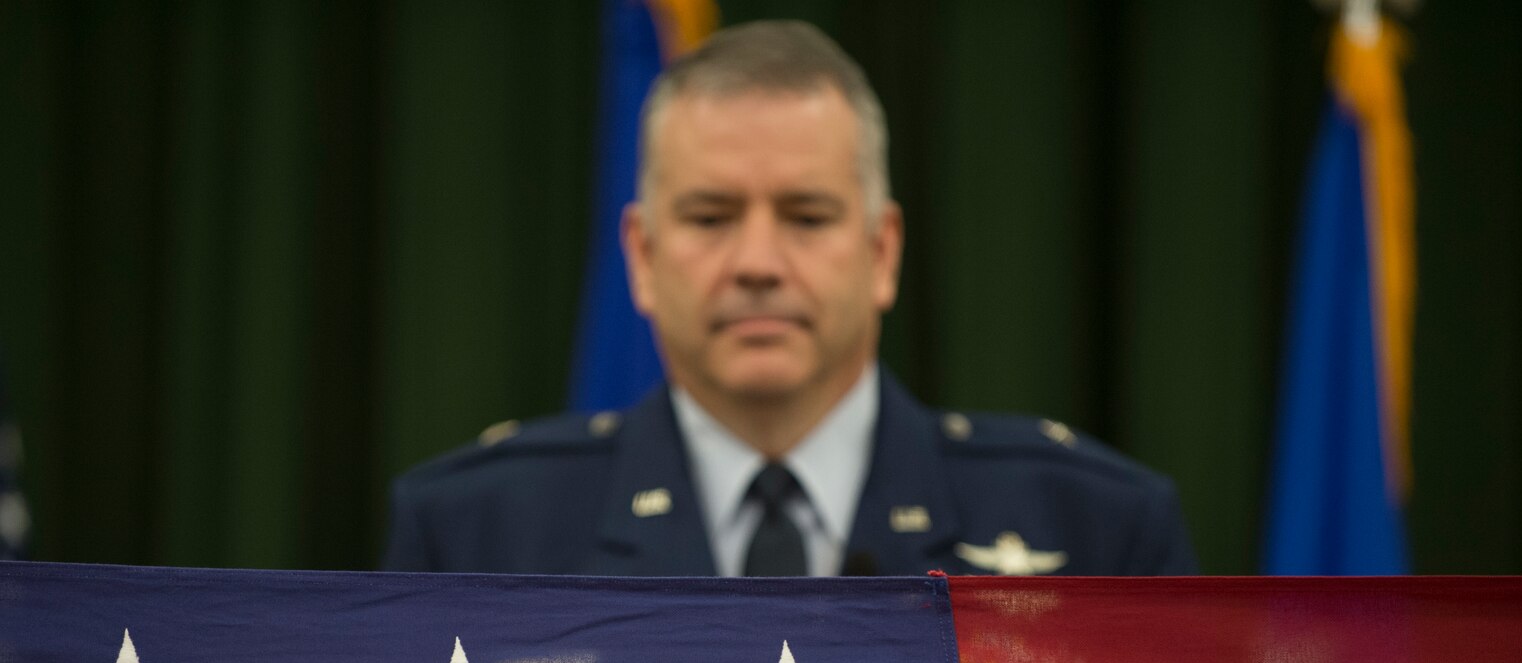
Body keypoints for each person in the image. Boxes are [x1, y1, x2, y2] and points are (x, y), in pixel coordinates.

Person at [382, 20, 1197, 577]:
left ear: (882, 252)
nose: (759, 263)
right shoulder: (473, 533)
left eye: (807, 216)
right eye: (710, 216)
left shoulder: (1096, 528)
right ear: (641, 256)